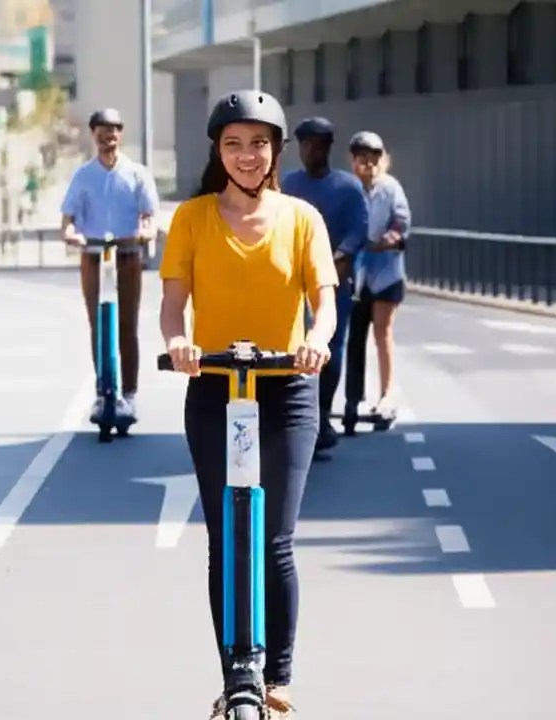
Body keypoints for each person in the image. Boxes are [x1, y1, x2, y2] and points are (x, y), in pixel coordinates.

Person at [158, 90, 338, 719]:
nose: (246, 155)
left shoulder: (301, 219)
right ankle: (236, 670)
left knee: (275, 537)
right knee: (227, 537)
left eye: (258, 143)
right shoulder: (193, 218)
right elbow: (173, 303)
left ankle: (278, 675)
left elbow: (326, 300)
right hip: (215, 386)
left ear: (275, 150)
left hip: (287, 387)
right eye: (233, 143)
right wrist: (178, 342)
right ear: (217, 150)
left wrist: (316, 342)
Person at [60, 107, 160, 425]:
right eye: (103, 132)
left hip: (127, 254)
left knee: (127, 325)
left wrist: (145, 232)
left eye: (114, 131)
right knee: (98, 324)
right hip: (93, 255)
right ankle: (103, 390)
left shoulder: (137, 173)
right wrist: (71, 235)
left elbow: (150, 216)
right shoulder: (83, 175)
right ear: (94, 136)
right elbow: (68, 219)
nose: (109, 137)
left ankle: (128, 394)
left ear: (121, 134)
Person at [280, 117, 369, 455]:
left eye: (318, 145)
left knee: (329, 353)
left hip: (332, 284)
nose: (310, 151)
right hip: (292, 284)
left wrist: (336, 260)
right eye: (305, 145)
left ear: (328, 148)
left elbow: (359, 229)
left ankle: (321, 416)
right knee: (291, 352)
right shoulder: (289, 185)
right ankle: (294, 418)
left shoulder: (347, 187)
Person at [342, 130, 411, 433]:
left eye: (373, 159)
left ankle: (386, 396)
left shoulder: (390, 188)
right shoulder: (348, 189)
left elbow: (402, 221)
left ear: (381, 160)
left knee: (382, 332)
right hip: (356, 274)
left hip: (385, 271)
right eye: (361, 159)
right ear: (353, 161)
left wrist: (388, 239)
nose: (368, 165)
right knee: (354, 337)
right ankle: (353, 399)